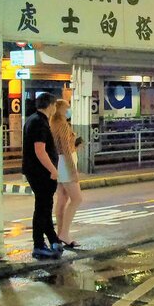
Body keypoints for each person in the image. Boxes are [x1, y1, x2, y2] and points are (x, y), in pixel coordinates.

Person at [21, 92, 63, 260]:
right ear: (50, 105)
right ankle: (38, 245)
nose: (55, 109)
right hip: (41, 173)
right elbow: (40, 150)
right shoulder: (40, 123)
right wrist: (53, 169)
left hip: (35, 171)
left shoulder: (32, 119)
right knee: (42, 209)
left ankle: (53, 240)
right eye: (54, 106)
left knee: (44, 208)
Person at [51, 99, 84, 249]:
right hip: (65, 163)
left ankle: (59, 234)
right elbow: (65, 148)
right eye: (67, 108)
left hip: (58, 163)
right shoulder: (63, 125)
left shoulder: (53, 124)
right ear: (61, 110)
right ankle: (64, 233)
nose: (69, 110)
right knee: (76, 199)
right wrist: (73, 171)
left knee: (62, 199)